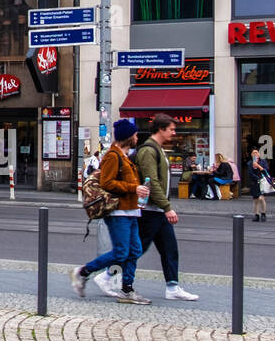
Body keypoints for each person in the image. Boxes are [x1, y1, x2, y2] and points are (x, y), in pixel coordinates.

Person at [106, 113, 198, 301]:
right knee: (135, 249)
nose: (173, 133)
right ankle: (107, 276)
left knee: (168, 248)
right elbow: (152, 182)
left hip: (156, 210)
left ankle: (172, 287)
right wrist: (167, 207)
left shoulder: (157, 149)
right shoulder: (148, 151)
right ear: (161, 129)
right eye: (171, 129)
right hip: (149, 209)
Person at [70, 119, 151, 304]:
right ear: (128, 137)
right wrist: (134, 188)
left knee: (134, 250)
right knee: (121, 252)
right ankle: (83, 272)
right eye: (135, 134)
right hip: (118, 212)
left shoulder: (124, 156)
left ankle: (127, 290)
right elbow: (107, 182)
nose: (137, 137)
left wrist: (138, 191)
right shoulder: (112, 156)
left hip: (130, 211)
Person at [245, 147, 272, 222]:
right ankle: (256, 215)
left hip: (262, 182)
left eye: (256, 152)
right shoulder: (249, 163)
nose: (255, 154)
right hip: (254, 182)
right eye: (253, 153)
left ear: (259, 154)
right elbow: (250, 173)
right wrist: (257, 178)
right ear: (251, 155)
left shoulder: (263, 162)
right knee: (256, 200)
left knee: (261, 198)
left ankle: (263, 214)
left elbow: (266, 171)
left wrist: (258, 166)